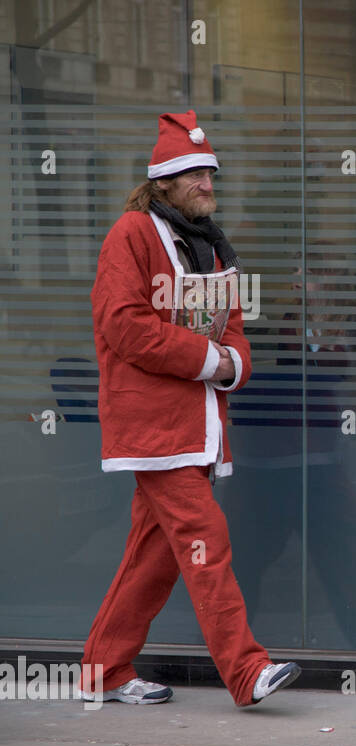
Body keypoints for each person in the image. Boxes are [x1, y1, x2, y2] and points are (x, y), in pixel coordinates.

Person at [80, 110, 299, 706]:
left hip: (199, 427)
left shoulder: (212, 245)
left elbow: (234, 333)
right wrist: (211, 360)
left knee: (154, 558)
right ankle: (246, 671)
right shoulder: (130, 236)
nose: (209, 184)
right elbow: (123, 327)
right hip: (154, 430)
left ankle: (103, 671)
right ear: (165, 182)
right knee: (206, 537)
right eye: (197, 174)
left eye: (212, 174)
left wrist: (234, 364)